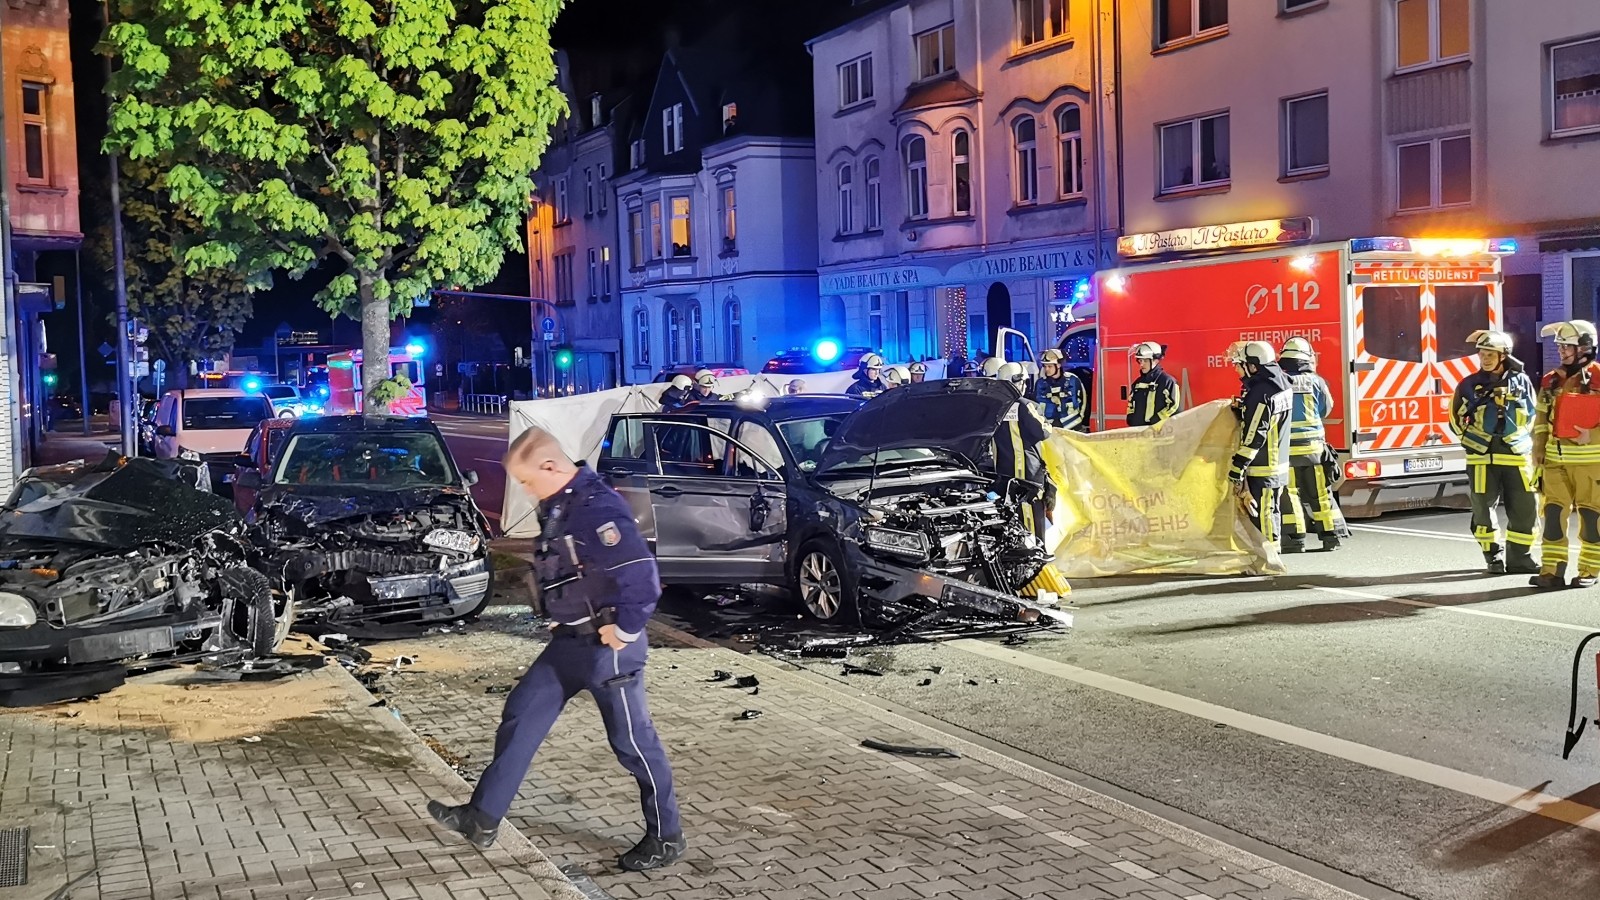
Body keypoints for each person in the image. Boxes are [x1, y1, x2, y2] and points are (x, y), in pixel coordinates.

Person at [428, 427, 685, 870]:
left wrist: (624, 631)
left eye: (528, 480)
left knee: (633, 745)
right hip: (569, 643)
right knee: (522, 714)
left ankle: (667, 837)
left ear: (550, 467)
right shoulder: (562, 502)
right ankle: (482, 817)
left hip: (610, 650)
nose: (526, 490)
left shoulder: (596, 508)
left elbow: (642, 579)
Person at [1450, 329, 1538, 575]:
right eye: (1482, 354)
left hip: (1516, 453)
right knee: (1482, 509)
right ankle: (1493, 556)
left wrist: (1522, 438)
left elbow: (1532, 413)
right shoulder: (1468, 384)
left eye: (1491, 354)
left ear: (1504, 356)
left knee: (1525, 507)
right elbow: (1454, 416)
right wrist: (1469, 440)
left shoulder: (1522, 381)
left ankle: (1521, 559)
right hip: (1481, 456)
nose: (1485, 358)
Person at [1531, 320, 1600, 589]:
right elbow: (1540, 418)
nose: (1561, 351)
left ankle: (1589, 570)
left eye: (1566, 346)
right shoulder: (1551, 380)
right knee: (1552, 516)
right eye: (1559, 346)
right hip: (1554, 462)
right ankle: (1551, 571)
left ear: (1584, 346)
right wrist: (1538, 448)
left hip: (1591, 464)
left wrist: (1591, 436)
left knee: (1593, 518)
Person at [1278, 337, 1343, 553]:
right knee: (1321, 494)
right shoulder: (1316, 381)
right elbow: (1326, 408)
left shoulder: (1279, 380)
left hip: (1287, 450)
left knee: (1291, 494)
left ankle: (1295, 540)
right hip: (1314, 449)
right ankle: (1330, 536)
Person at [1226, 341, 1292, 544]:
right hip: (1277, 463)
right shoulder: (1281, 383)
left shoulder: (1261, 393)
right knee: (1270, 511)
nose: (1237, 369)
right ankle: (1270, 556)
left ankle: (1269, 558)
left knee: (1263, 515)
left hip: (1262, 466)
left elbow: (1255, 435)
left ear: (1253, 366)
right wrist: (1243, 410)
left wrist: (1238, 467)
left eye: (1240, 364)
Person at [993, 362, 1054, 540]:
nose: (1025, 385)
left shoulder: (994, 407)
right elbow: (1044, 431)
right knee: (1030, 519)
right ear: (1017, 382)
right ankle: (1034, 555)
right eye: (1023, 382)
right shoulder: (1026, 406)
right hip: (1028, 474)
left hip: (1003, 473)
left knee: (1010, 517)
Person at [1127, 342, 1180, 427]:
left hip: (1160, 433)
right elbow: (1131, 404)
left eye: (1145, 360)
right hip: (1138, 432)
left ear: (1155, 360)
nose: (1141, 364)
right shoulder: (1137, 383)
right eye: (1140, 360)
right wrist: (1131, 419)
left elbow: (1173, 406)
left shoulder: (1168, 382)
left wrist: (1156, 420)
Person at [1033, 348, 1087, 431]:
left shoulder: (1073, 380)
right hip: (1049, 431)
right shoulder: (1040, 384)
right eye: (1045, 366)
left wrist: (1066, 424)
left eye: (1050, 366)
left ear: (1058, 365)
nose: (1046, 369)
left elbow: (1083, 405)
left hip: (1072, 429)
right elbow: (1036, 407)